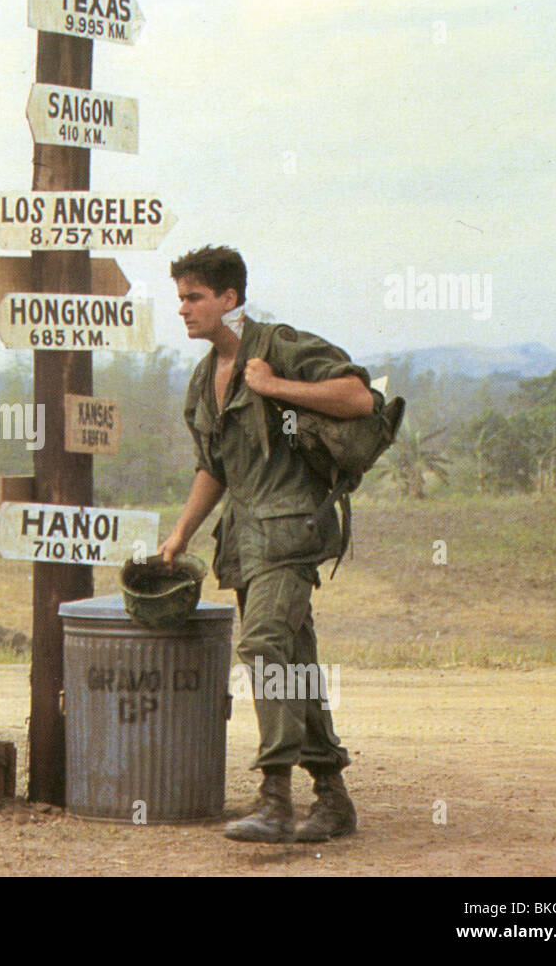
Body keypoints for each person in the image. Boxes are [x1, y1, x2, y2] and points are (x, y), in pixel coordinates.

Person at [157, 244, 374, 844]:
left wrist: (276, 385)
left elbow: (359, 398)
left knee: (264, 647)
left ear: (231, 299)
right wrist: (179, 535)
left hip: (293, 530)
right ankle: (333, 799)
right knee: (295, 664)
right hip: (245, 541)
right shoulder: (205, 379)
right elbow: (214, 468)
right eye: (179, 297)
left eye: (195, 297)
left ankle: (274, 798)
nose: (183, 309)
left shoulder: (279, 346)